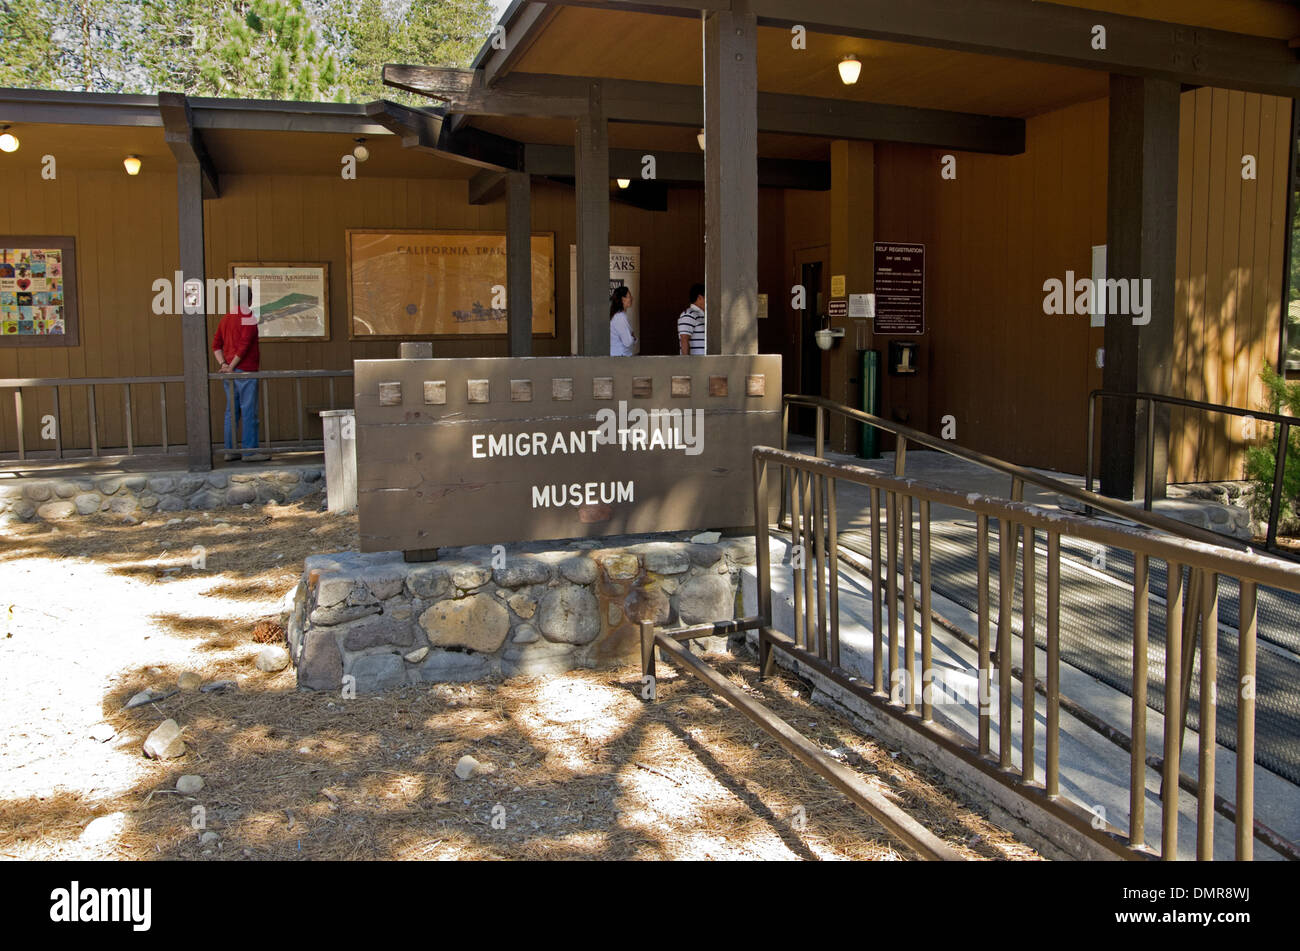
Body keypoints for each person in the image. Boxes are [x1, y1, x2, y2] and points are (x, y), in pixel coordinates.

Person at [212, 284, 267, 462]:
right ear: (250, 300)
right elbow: (244, 346)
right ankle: (250, 451)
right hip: (246, 371)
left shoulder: (226, 318)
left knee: (231, 412)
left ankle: (230, 450)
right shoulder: (249, 317)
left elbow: (216, 345)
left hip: (228, 373)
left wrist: (224, 364)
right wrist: (233, 365)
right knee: (249, 411)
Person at [677, 283, 706, 355]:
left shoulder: (704, 315)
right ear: (700, 297)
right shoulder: (688, 314)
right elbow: (684, 339)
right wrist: (687, 364)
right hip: (695, 364)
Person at [609, 286, 637, 356]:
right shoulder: (620, 317)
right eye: (629, 296)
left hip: (619, 356)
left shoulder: (619, 315)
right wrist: (633, 337)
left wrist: (632, 337)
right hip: (620, 358)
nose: (632, 298)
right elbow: (628, 342)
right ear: (623, 299)